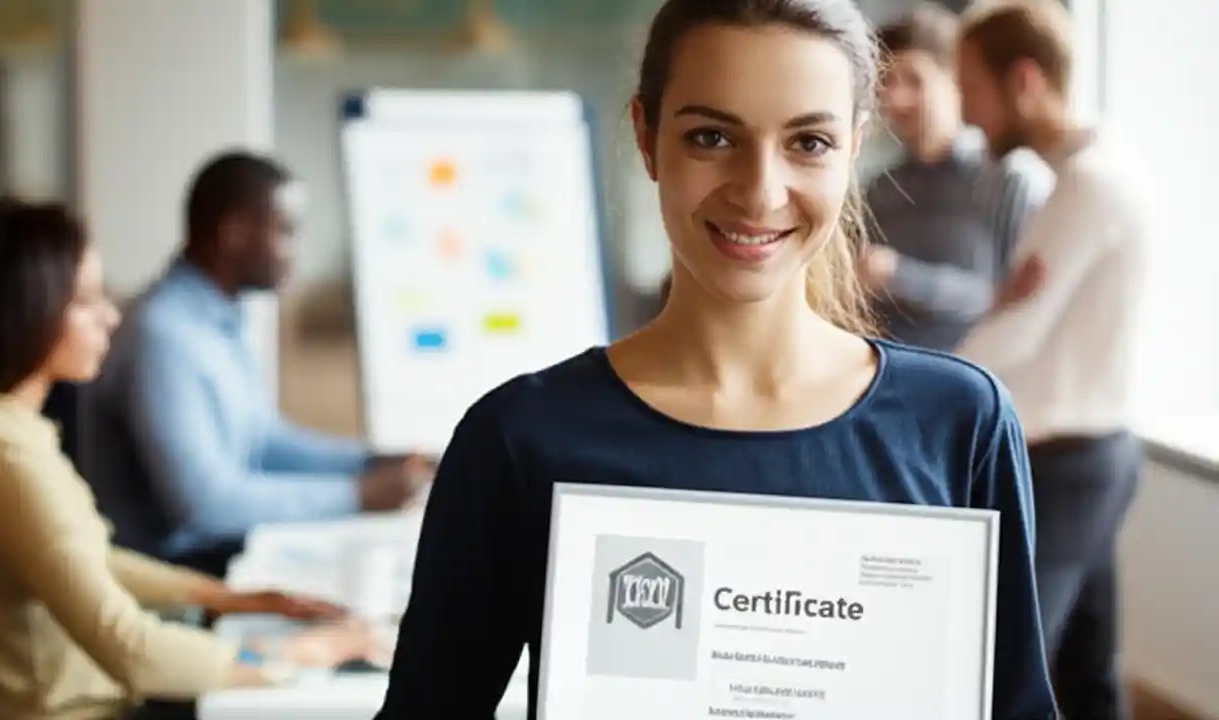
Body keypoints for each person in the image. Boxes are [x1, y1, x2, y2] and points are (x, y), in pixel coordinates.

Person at [378, 1, 1054, 718]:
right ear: (646, 136)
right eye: (711, 136)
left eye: (810, 143)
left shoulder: (956, 424)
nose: (760, 191)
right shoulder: (520, 438)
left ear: (854, 147)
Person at [0, 199, 390, 720]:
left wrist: (228, 598)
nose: (110, 316)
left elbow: (91, 561)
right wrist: (299, 654)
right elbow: (133, 651)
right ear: (25, 311)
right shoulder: (3, 457)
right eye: (85, 302)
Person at [85, 152, 428, 577]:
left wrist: (371, 462)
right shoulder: (163, 336)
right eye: (286, 231)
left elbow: (264, 441)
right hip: (181, 572)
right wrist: (359, 494)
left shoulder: (221, 319)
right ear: (234, 234)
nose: (295, 252)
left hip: (221, 556)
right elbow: (207, 508)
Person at [955, 2, 1145, 718]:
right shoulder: (1094, 171)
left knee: (1007, 676)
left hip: (1066, 465)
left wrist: (909, 395)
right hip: (1095, 455)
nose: (969, 112)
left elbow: (1009, 334)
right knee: (1088, 676)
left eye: (971, 87)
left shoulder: (1088, 185)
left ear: (1024, 80)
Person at [859, 1, 1052, 351]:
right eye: (887, 81)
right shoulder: (880, 190)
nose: (896, 98)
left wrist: (898, 276)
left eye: (914, 80)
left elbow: (1015, 301)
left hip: (979, 380)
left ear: (955, 81)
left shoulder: (1010, 182)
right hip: (890, 380)